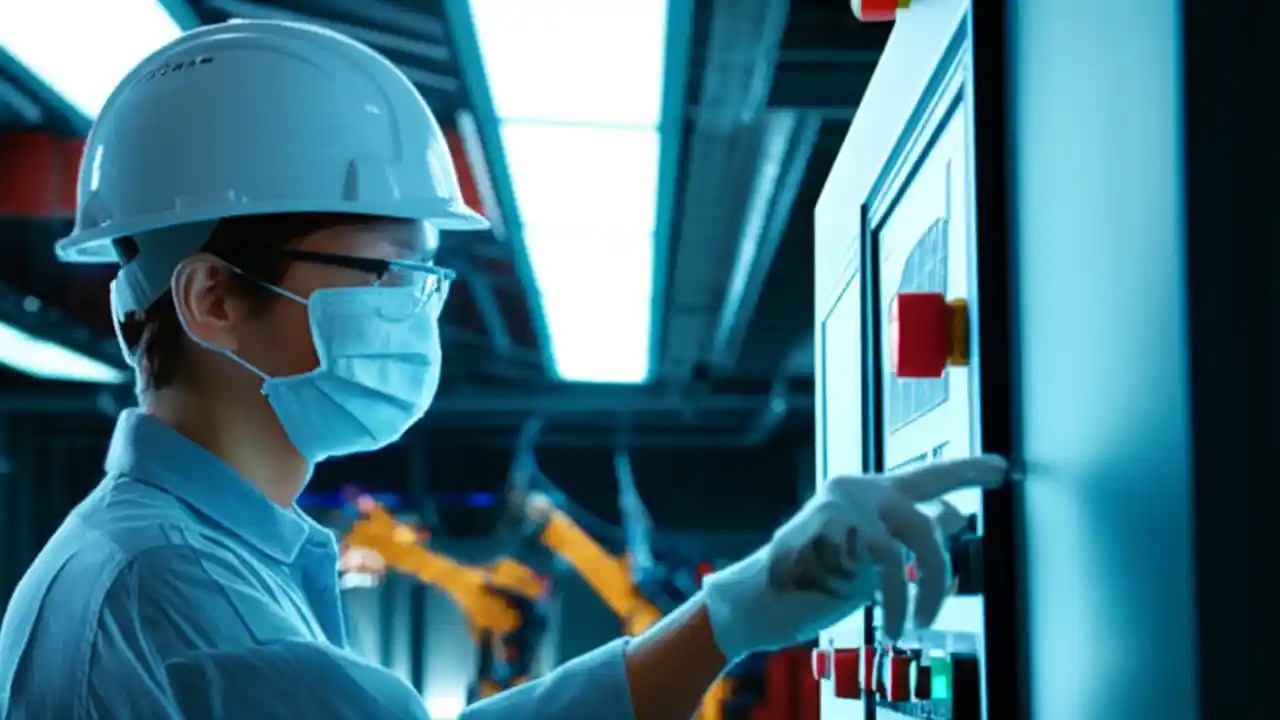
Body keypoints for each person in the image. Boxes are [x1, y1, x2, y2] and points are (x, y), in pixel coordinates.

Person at [0, 19, 1008, 720]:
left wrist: (725, 618)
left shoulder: (196, 562)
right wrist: (723, 622)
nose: (414, 309)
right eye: (382, 271)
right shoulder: (168, 593)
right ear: (214, 299)